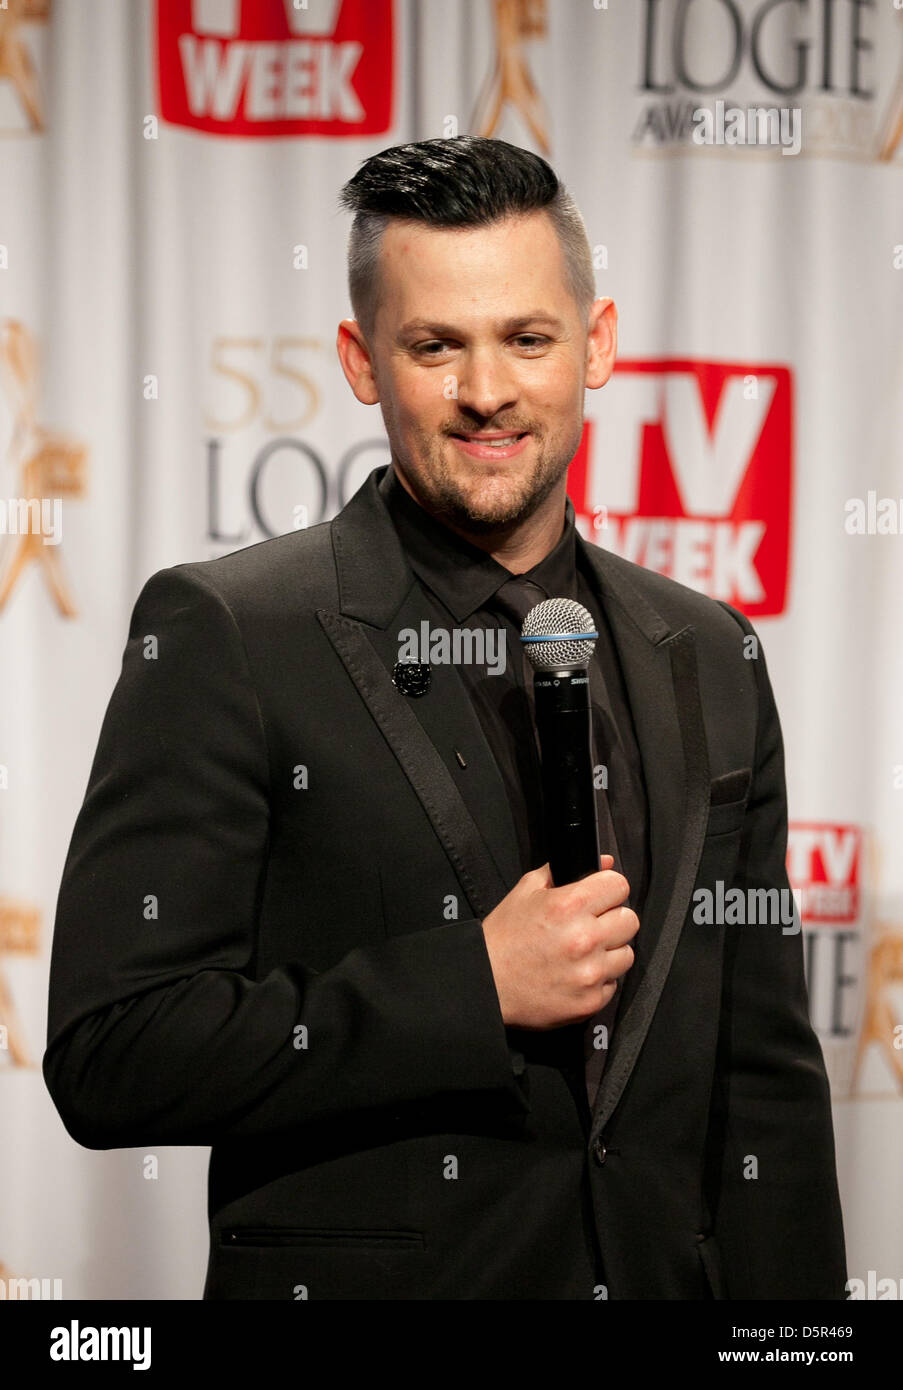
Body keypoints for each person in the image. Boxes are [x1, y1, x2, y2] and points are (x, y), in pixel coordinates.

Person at [43, 136, 847, 1301]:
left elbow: (766, 1075)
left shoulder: (712, 650)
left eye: (528, 337)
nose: (487, 391)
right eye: (435, 346)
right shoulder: (231, 632)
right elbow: (111, 1052)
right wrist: (471, 984)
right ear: (362, 360)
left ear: (600, 343)